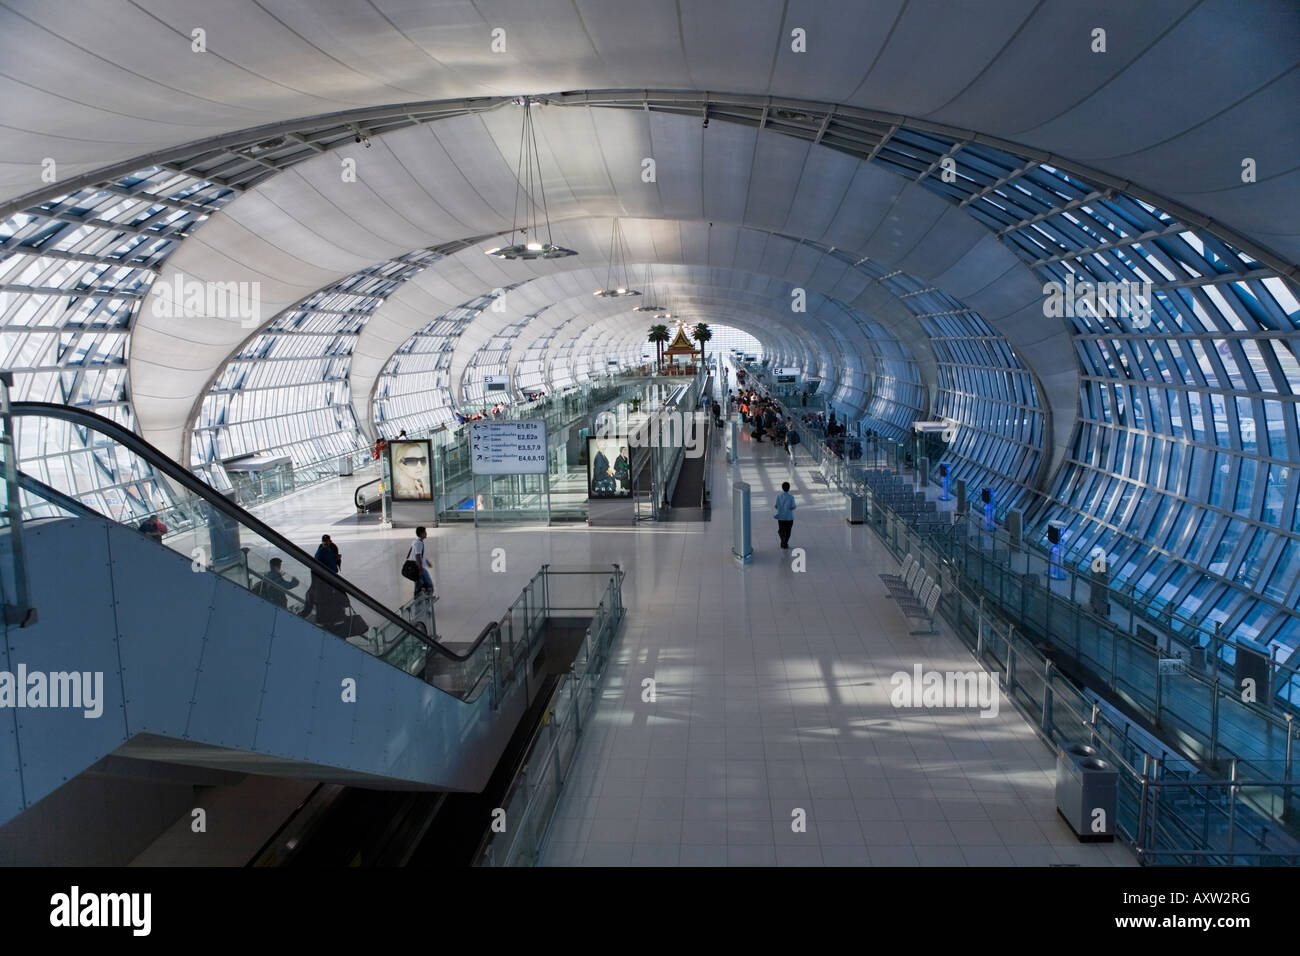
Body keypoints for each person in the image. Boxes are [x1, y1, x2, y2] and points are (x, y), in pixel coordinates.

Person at [408, 526, 434, 597]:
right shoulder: (418, 543)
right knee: (428, 585)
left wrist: (427, 562)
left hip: (419, 568)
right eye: (425, 532)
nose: (426, 534)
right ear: (421, 533)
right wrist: (420, 569)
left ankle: (421, 601)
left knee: (420, 585)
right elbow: (417, 556)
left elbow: (420, 555)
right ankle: (422, 602)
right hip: (419, 568)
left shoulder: (417, 541)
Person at [774, 481, 797, 550]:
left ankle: (783, 541)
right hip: (789, 517)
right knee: (788, 531)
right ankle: (785, 542)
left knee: (781, 530)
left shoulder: (778, 496)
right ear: (789, 488)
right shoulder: (791, 497)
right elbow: (793, 507)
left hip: (781, 517)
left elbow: (776, 506)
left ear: (782, 488)